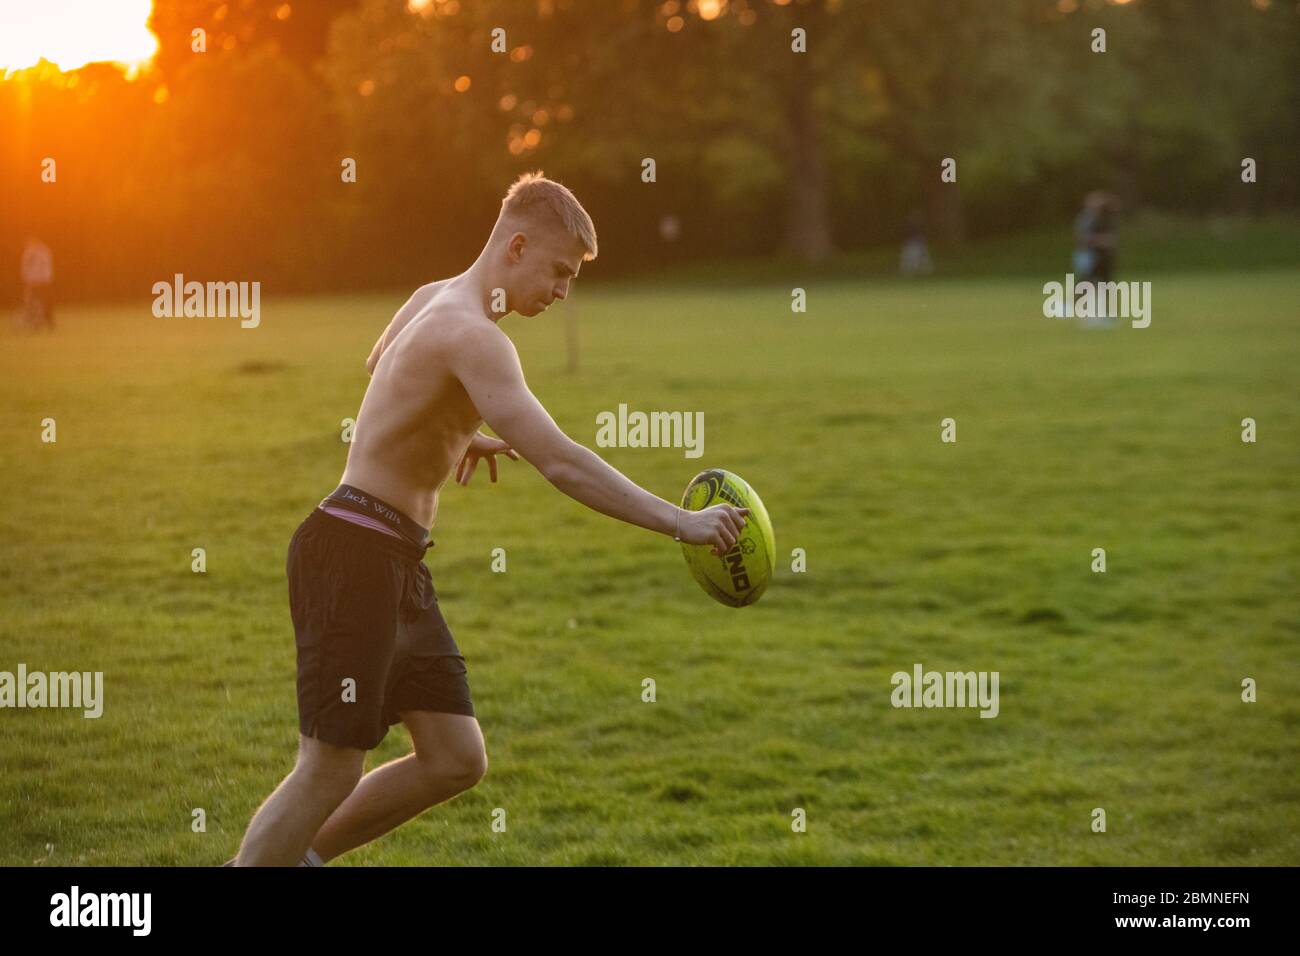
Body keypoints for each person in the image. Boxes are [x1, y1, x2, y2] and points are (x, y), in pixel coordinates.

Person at [230, 171, 748, 866]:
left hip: (393, 560)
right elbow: (561, 462)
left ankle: (300, 857)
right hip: (353, 554)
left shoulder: (432, 299)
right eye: (559, 272)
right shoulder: (476, 337)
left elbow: (382, 361)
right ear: (518, 245)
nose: (563, 293)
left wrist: (451, 426)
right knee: (329, 767)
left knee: (453, 756)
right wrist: (679, 523)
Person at [20, 236, 55, 331]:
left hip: (36, 281)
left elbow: (26, 266)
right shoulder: (44, 250)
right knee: (42, 302)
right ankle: (44, 322)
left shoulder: (31, 251)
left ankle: (38, 322)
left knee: (36, 301)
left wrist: (28, 278)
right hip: (44, 280)